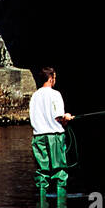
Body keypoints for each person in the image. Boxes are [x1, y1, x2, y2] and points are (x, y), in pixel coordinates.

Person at [29, 66, 74, 196]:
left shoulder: (35, 96)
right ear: (50, 78)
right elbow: (58, 117)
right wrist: (67, 117)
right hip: (54, 136)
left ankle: (42, 202)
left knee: (42, 171)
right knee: (59, 170)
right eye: (54, 77)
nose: (55, 80)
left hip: (38, 137)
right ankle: (61, 203)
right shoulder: (55, 94)